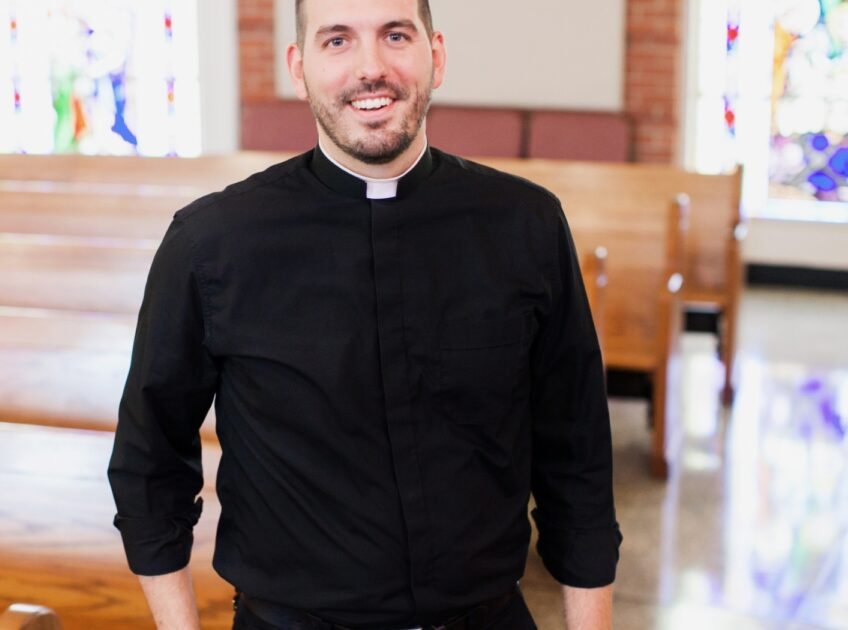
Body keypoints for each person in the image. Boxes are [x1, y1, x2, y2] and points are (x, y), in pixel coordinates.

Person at [108, 0, 621, 627]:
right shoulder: (212, 242)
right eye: (337, 41)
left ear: (436, 55)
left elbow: (580, 457)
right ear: (299, 68)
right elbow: (148, 461)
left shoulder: (526, 225)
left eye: (396, 35)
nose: (370, 67)